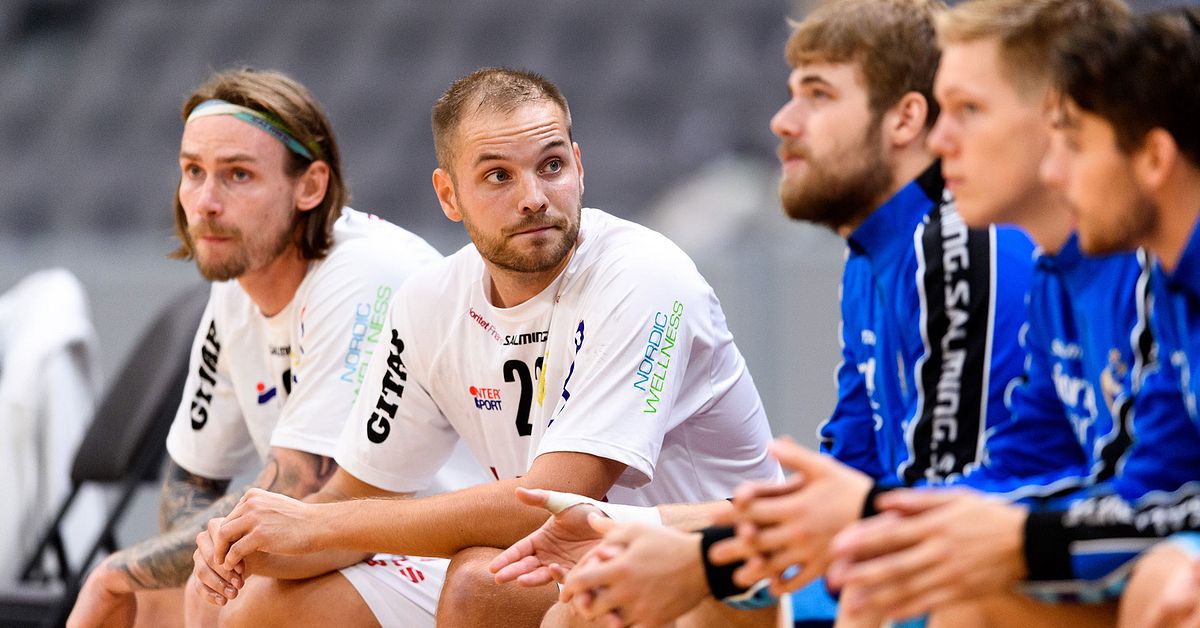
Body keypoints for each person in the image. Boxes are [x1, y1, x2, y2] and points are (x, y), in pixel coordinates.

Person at [191, 67, 782, 628]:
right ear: (448, 196)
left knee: (484, 586)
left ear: (579, 166)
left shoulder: (644, 274)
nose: (533, 197)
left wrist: (316, 527)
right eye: (498, 175)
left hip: (724, 569)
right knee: (262, 607)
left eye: (551, 166)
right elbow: (357, 494)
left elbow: (556, 499)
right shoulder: (429, 301)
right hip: (557, 554)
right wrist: (249, 544)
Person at [534, 2, 1052, 625]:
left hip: (975, 573)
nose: (782, 122)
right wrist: (642, 527)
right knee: (602, 597)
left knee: (680, 598)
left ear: (905, 118)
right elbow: (850, 485)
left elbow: (934, 505)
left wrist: (703, 562)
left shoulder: (959, 242)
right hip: (930, 549)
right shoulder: (874, 255)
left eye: (818, 94)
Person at [827, 5, 1200, 627]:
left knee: (1168, 587)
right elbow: (1131, 480)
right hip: (1129, 543)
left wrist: (882, 517)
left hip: (1155, 573)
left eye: (968, 110)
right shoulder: (1126, 278)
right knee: (930, 583)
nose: (941, 141)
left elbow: (1132, 495)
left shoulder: (985, 256)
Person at [65, 68, 449, 628]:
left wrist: (120, 568)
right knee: (157, 599)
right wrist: (164, 568)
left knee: (236, 601)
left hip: (436, 548)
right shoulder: (236, 283)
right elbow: (191, 480)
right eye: (192, 171)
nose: (206, 203)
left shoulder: (366, 272)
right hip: (335, 545)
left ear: (310, 186)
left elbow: (305, 491)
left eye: (237, 175)